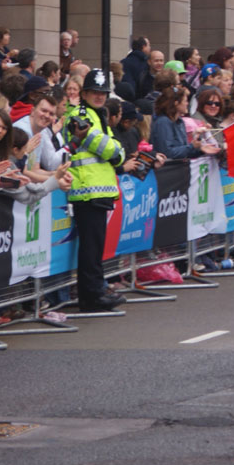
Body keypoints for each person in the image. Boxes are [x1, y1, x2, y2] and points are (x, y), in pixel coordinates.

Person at [62, 69, 135, 312]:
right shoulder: (80, 114)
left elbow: (117, 150)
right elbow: (109, 149)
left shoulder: (96, 115)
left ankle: (95, 290)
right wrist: (114, 150)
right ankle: (91, 296)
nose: (99, 96)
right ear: (84, 93)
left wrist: (114, 150)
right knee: (91, 248)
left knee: (95, 248)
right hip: (86, 190)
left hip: (97, 190)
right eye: (94, 92)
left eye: (103, 93)